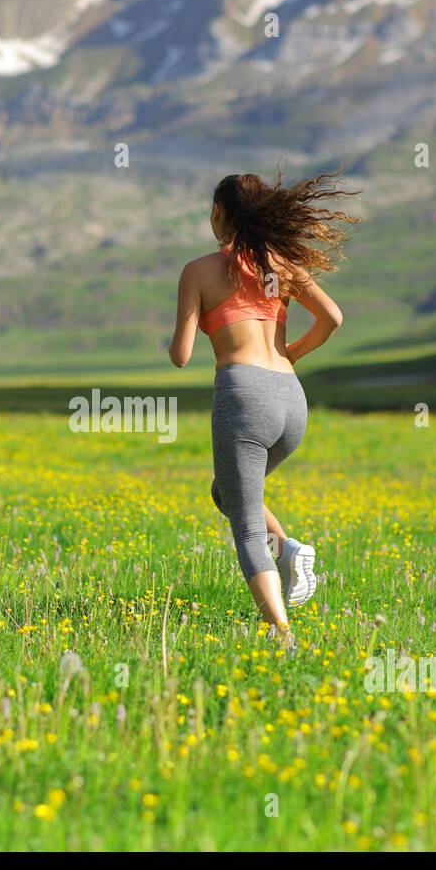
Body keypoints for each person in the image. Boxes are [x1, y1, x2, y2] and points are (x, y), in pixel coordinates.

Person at [168, 170, 357, 647]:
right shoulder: (283, 265)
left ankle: (282, 635)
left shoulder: (199, 270)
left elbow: (181, 355)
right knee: (227, 494)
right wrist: (290, 353)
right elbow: (332, 317)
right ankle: (290, 550)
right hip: (292, 400)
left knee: (248, 527)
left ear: (218, 214)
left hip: (243, 394)